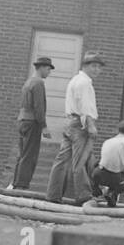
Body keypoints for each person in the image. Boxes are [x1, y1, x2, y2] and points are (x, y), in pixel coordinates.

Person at [46, 50, 104, 204]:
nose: (97, 70)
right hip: (80, 124)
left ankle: (53, 194)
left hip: (69, 123)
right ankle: (84, 195)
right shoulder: (85, 83)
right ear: (85, 66)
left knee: (62, 160)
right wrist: (91, 125)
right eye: (94, 66)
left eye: (99, 67)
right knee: (80, 161)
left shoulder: (75, 80)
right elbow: (85, 106)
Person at [6, 55, 54, 191]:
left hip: (22, 120)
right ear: (43, 68)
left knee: (22, 154)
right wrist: (44, 126)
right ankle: (21, 185)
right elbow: (39, 107)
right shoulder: (38, 83)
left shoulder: (28, 82)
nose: (49, 72)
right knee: (29, 156)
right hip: (32, 122)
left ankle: (15, 183)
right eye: (48, 69)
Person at [90, 119, 124, 207]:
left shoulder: (107, 141)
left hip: (99, 174)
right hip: (117, 179)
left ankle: (97, 193)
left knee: (98, 167)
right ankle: (112, 193)